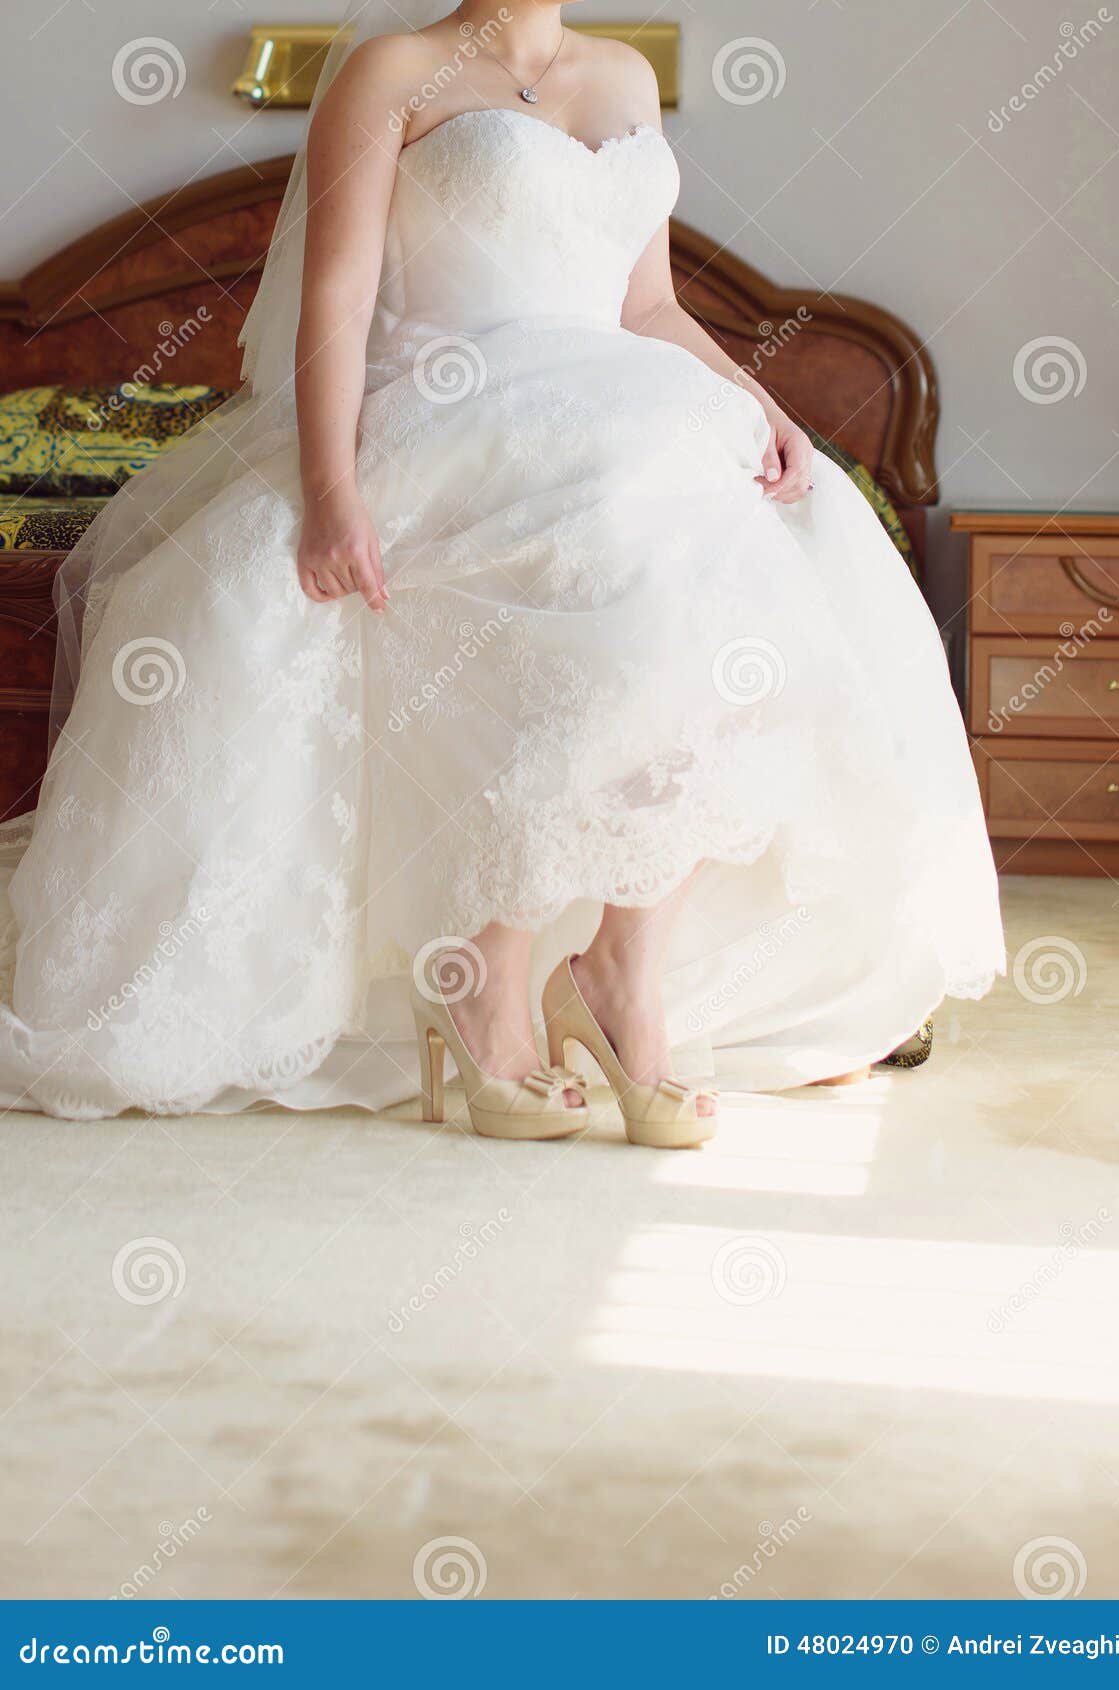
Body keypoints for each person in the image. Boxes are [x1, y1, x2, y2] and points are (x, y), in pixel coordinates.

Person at [0, 1, 1004, 1132]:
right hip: (447, 408)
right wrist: (332, 494)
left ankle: (622, 964)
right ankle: (483, 986)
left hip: (619, 409)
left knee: (766, 531)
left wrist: (768, 405)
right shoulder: (395, 70)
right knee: (621, 529)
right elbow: (336, 300)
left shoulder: (623, 76)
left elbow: (649, 307)